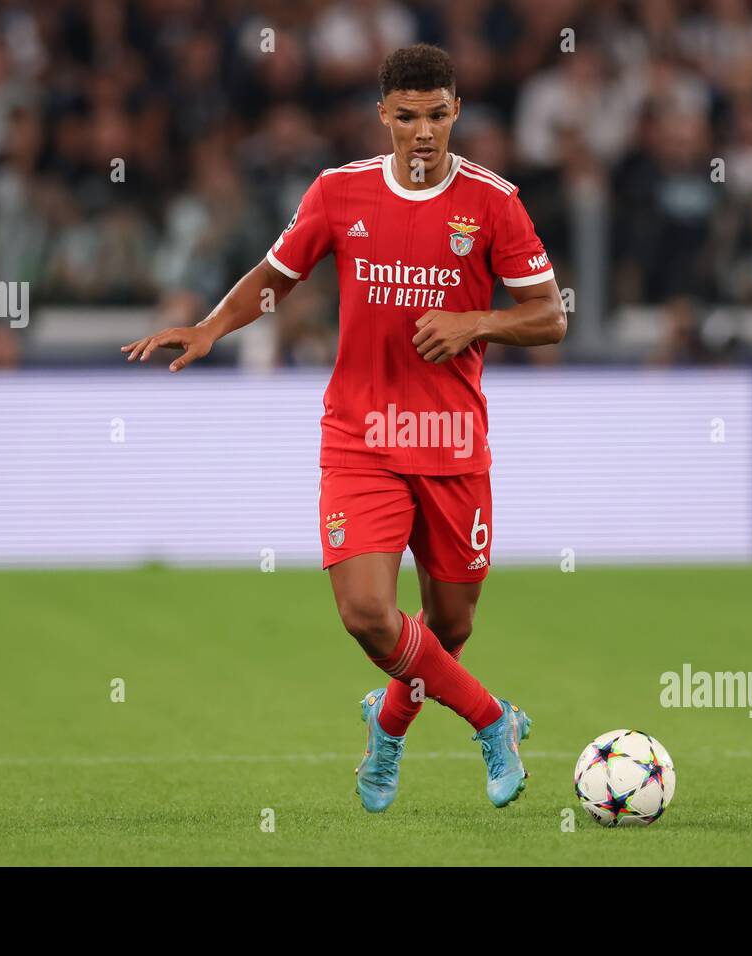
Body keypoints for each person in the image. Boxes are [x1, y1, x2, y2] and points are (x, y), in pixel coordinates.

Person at [122, 44, 564, 811]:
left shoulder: (495, 201)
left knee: (449, 627)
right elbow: (275, 277)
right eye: (407, 117)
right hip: (360, 437)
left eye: (436, 116)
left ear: (456, 112)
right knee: (367, 613)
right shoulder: (338, 193)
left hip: (453, 444)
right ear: (383, 116)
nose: (422, 133)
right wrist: (211, 327)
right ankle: (495, 722)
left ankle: (386, 729)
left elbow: (550, 315)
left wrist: (476, 322)